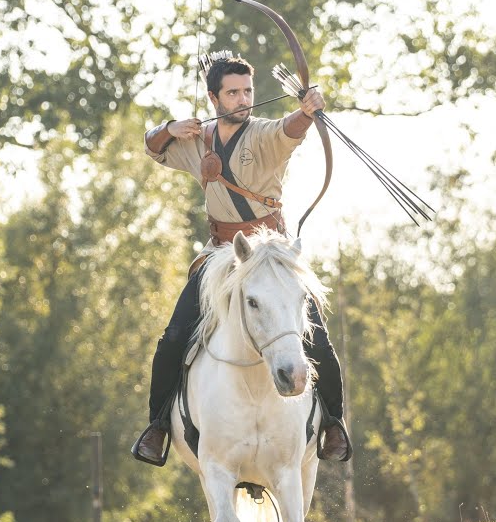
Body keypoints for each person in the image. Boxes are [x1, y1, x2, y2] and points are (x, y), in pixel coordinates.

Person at [130, 52, 352, 467]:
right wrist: (168, 128)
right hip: (220, 257)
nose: (243, 99)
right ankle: (158, 425)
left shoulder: (264, 134)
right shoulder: (197, 139)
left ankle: (333, 424)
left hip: (269, 255)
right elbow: (151, 147)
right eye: (232, 93)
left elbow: (291, 128)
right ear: (214, 98)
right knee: (174, 339)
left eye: (247, 91)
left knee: (317, 338)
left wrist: (307, 110)